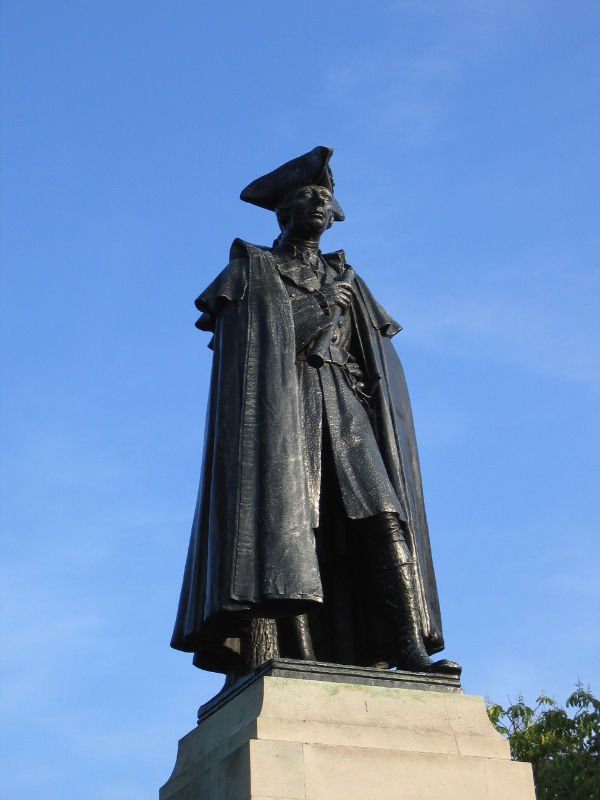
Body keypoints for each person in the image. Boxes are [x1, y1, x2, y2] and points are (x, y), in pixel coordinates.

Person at [171, 146, 460, 682]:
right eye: (310, 194)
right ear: (285, 210)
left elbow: (374, 359)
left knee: (384, 518)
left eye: (327, 197)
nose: (321, 204)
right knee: (287, 523)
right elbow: (251, 351)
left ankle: (409, 648)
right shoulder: (254, 271)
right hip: (285, 411)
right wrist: (324, 306)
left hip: (346, 409)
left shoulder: (348, 277)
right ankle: (287, 654)